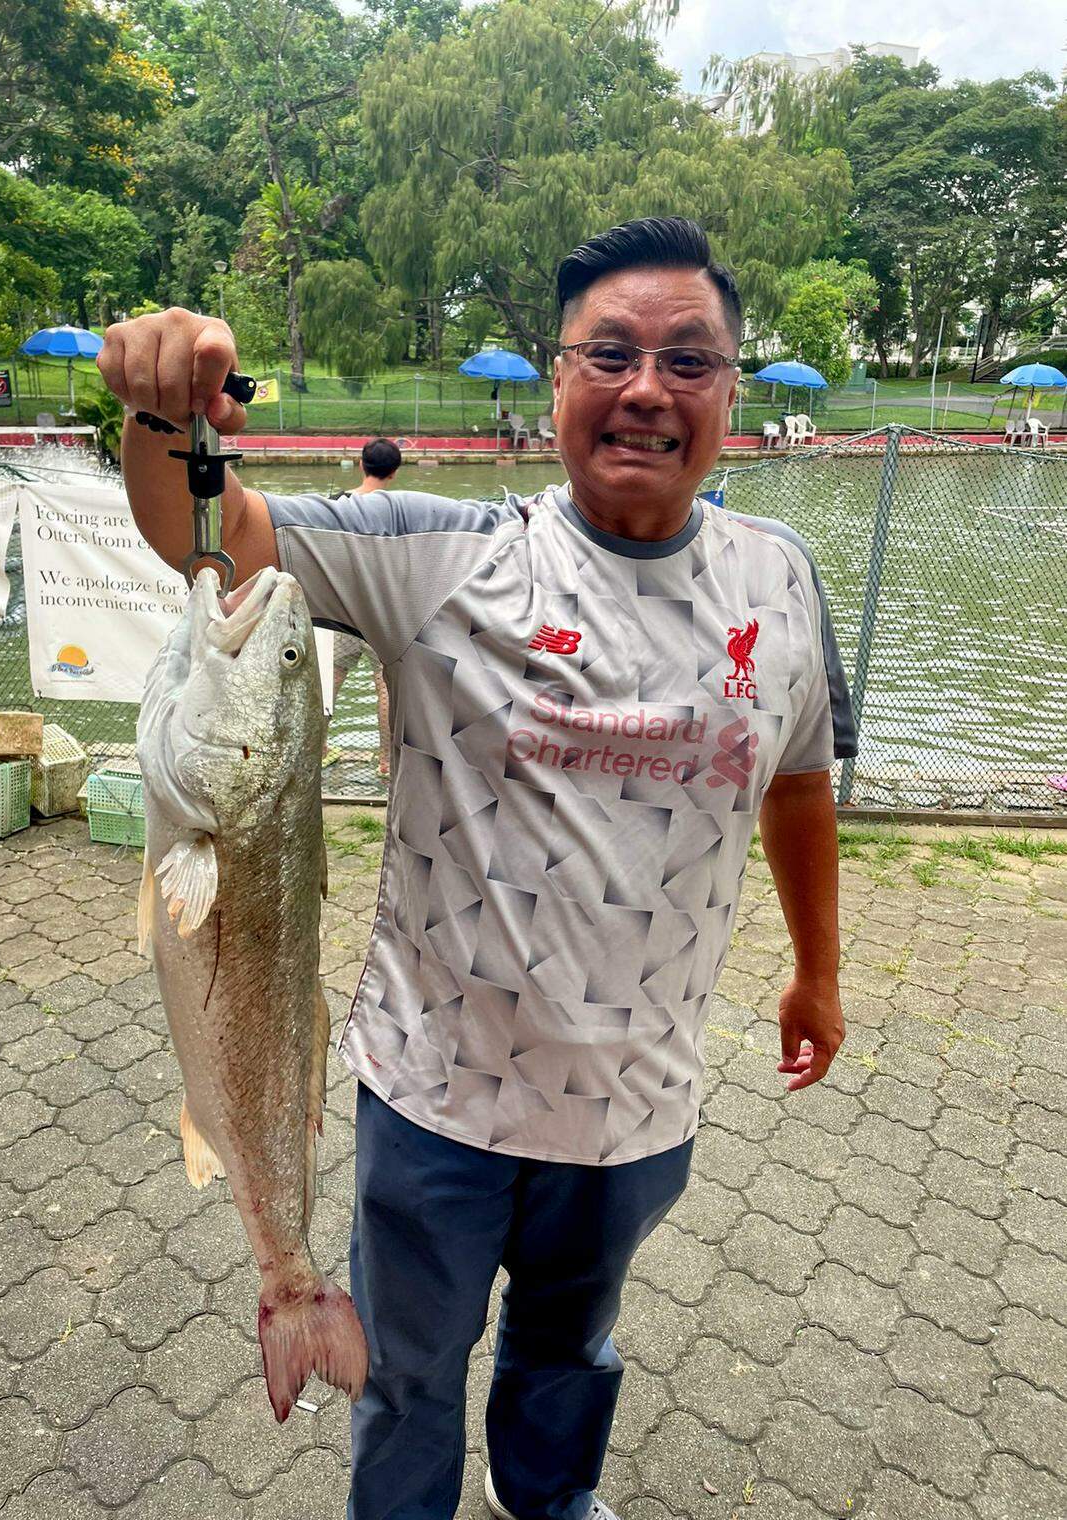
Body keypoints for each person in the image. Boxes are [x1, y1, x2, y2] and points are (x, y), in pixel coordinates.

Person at [100, 216, 856, 1520]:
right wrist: (165, 419)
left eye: (690, 360)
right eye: (608, 352)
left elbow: (796, 777)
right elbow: (211, 535)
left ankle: (545, 1498)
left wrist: (819, 972)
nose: (646, 389)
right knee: (405, 1380)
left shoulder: (780, 579)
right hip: (433, 1107)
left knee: (570, 1354)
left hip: (638, 1107)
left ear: (731, 389)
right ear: (555, 378)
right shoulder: (442, 555)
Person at [322, 438, 401, 778]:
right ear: (395, 473)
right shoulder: (398, 510)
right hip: (380, 611)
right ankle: (386, 762)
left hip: (340, 608)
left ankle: (318, 749)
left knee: (330, 682)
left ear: (361, 464)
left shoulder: (338, 504)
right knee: (384, 686)